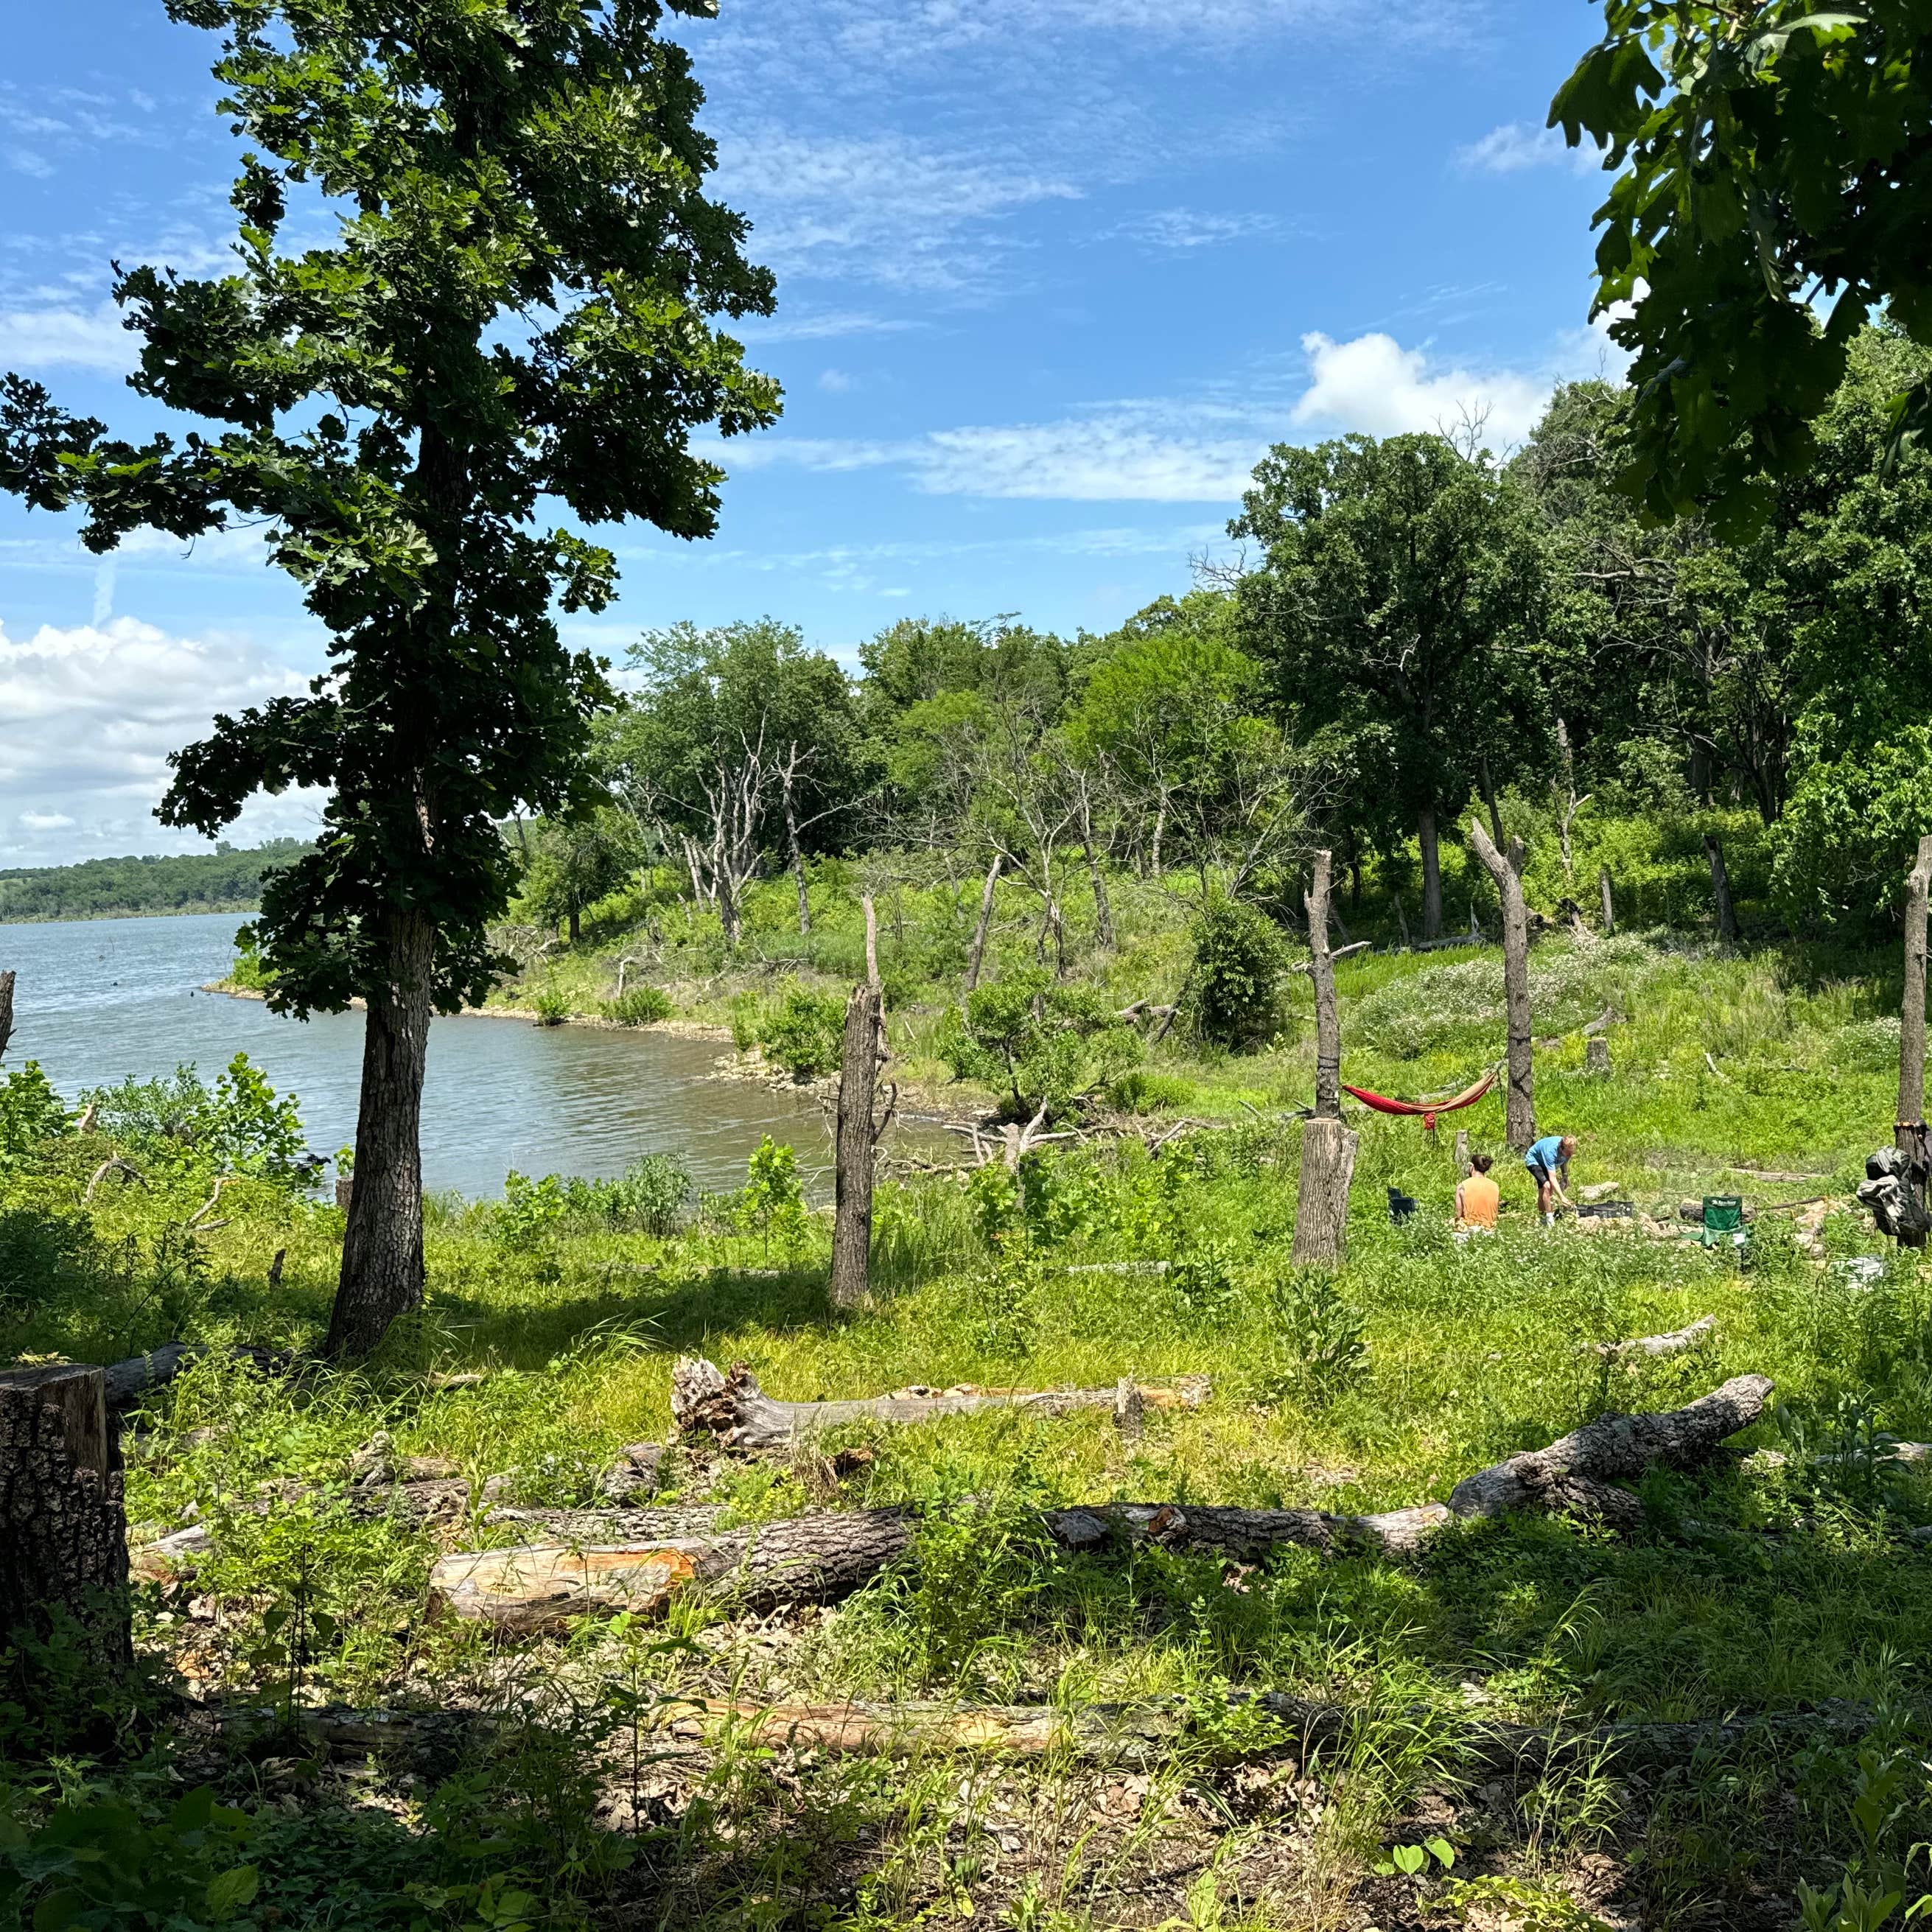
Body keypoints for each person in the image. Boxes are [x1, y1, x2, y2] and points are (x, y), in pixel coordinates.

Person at [1524, 1133, 1577, 1225]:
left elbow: (1564, 1162)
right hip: (1534, 1161)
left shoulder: (1568, 1150)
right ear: (1561, 1148)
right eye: (1567, 1153)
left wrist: (1565, 1176)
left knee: (1543, 1191)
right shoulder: (1551, 1151)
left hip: (1545, 1164)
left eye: (1571, 1153)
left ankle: (1543, 1218)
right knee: (1547, 1186)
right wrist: (1562, 1198)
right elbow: (1553, 1178)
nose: (1569, 1155)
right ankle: (1549, 1220)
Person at [1455, 1153, 1499, 1232]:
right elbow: (1495, 1213)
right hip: (1489, 1230)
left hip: (1469, 1230)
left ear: (1472, 1167)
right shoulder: (1495, 1186)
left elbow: (1458, 1214)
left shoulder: (1463, 1186)